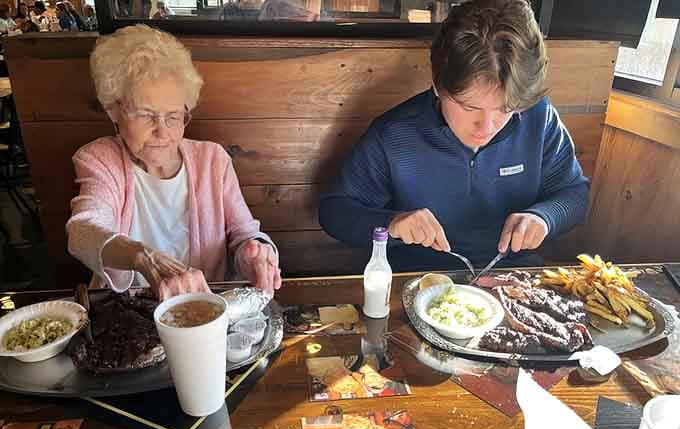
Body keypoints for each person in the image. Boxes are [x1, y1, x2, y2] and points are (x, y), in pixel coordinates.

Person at [318, 0, 589, 272]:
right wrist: (393, 223)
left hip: (510, 274)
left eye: (505, 109)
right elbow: (336, 212)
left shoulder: (538, 118)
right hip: (417, 277)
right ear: (438, 85)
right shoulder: (395, 133)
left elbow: (574, 193)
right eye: (470, 107)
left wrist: (544, 217)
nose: (487, 126)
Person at [67, 25, 282, 299]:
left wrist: (255, 255)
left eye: (173, 116)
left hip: (204, 308)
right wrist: (141, 257)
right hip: (126, 312)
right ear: (113, 110)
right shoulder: (99, 159)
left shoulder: (212, 160)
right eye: (146, 115)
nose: (162, 131)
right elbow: (83, 231)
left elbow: (244, 236)